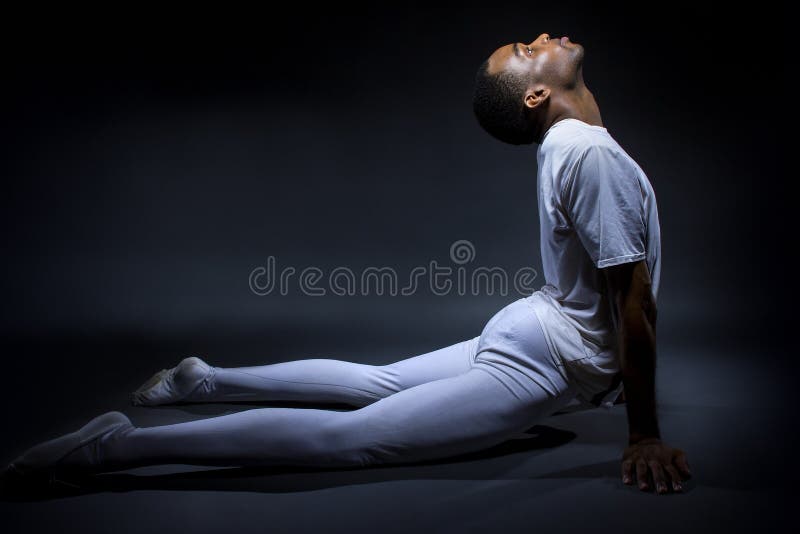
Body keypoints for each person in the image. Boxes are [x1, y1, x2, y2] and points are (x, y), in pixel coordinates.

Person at [2, 33, 690, 494]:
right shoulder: (588, 150)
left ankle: (205, 380)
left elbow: (612, 286)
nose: (540, 37)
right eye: (524, 48)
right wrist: (646, 434)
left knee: (377, 381)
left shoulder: (571, 146)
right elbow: (635, 301)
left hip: (534, 326)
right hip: (545, 357)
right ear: (537, 94)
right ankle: (110, 450)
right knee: (354, 440)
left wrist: (615, 378)